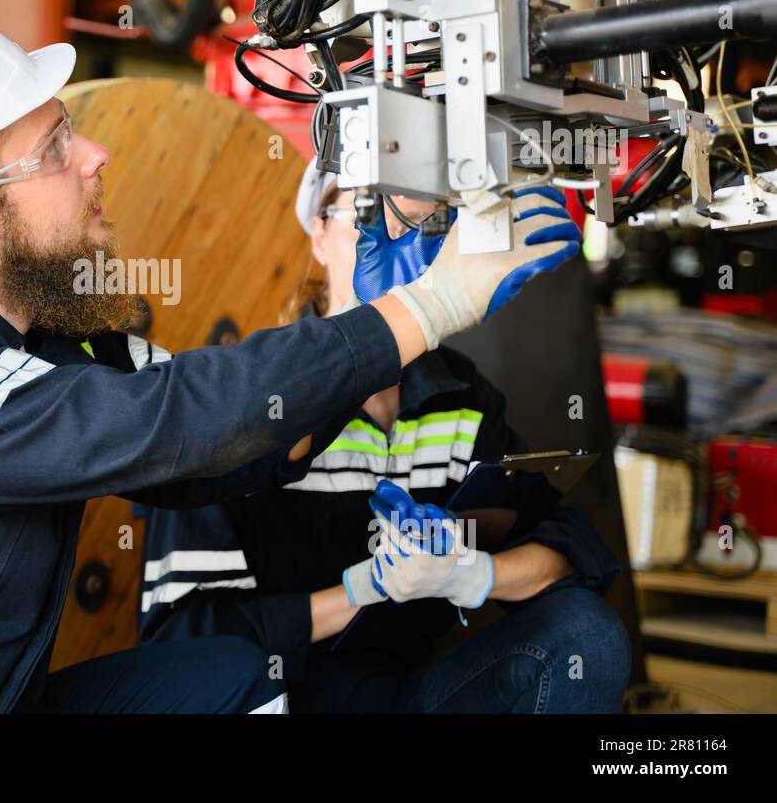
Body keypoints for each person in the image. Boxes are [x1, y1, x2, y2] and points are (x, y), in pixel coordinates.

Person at [0, 3, 580, 713]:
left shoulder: (42, 340)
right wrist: (421, 310)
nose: (95, 156)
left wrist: (368, 336)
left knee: (237, 675)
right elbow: (163, 421)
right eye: (54, 148)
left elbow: (209, 455)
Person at [138, 162, 631, 712]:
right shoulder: (251, 395)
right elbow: (181, 639)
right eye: (371, 217)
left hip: (410, 693)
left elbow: (567, 545)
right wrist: (363, 592)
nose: (397, 247)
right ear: (320, 236)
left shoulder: (459, 397)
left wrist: (471, 573)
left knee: (585, 637)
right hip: (277, 699)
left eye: (423, 224)